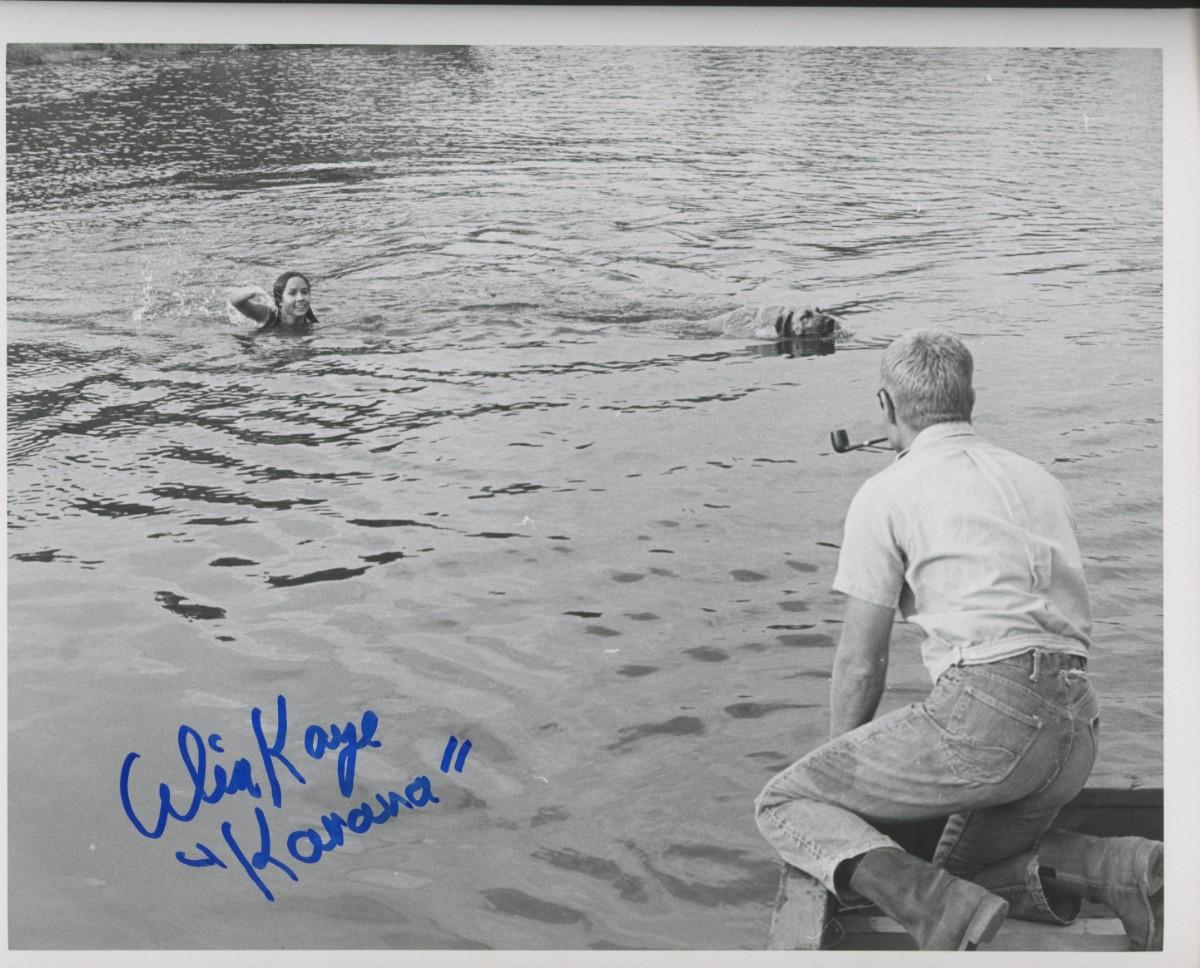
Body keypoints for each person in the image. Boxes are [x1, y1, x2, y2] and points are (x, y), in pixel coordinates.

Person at [754, 329, 1163, 951]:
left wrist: (843, 784)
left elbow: (862, 663)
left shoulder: (887, 491)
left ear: (886, 406)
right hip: (1077, 722)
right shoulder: (1038, 479)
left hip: (992, 713)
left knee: (785, 801)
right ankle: (1120, 868)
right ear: (968, 400)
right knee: (968, 871)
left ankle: (935, 914)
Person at [227, 271, 318, 330]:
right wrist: (254, 291)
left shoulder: (312, 324)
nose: (300, 298)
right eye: (292, 293)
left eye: (305, 292)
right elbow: (235, 300)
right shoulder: (269, 315)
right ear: (279, 300)